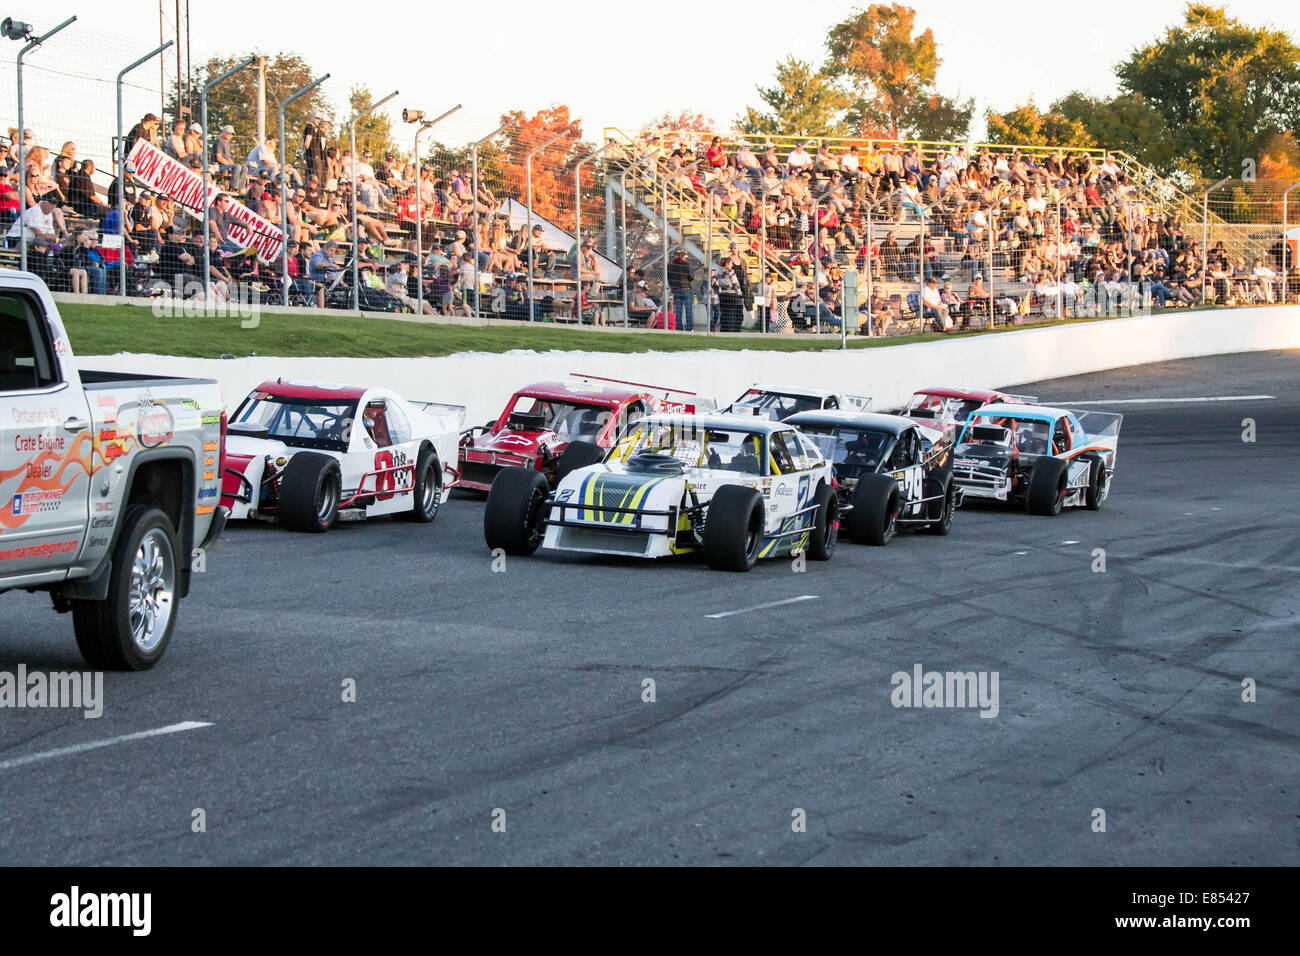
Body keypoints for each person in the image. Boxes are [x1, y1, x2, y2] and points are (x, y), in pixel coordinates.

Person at [667, 248, 695, 331]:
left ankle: (679, 328)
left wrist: (672, 287)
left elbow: (669, 278)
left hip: (676, 289)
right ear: (683, 257)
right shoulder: (687, 264)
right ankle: (689, 328)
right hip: (686, 289)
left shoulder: (671, 265)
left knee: (678, 310)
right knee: (688, 310)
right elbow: (691, 277)